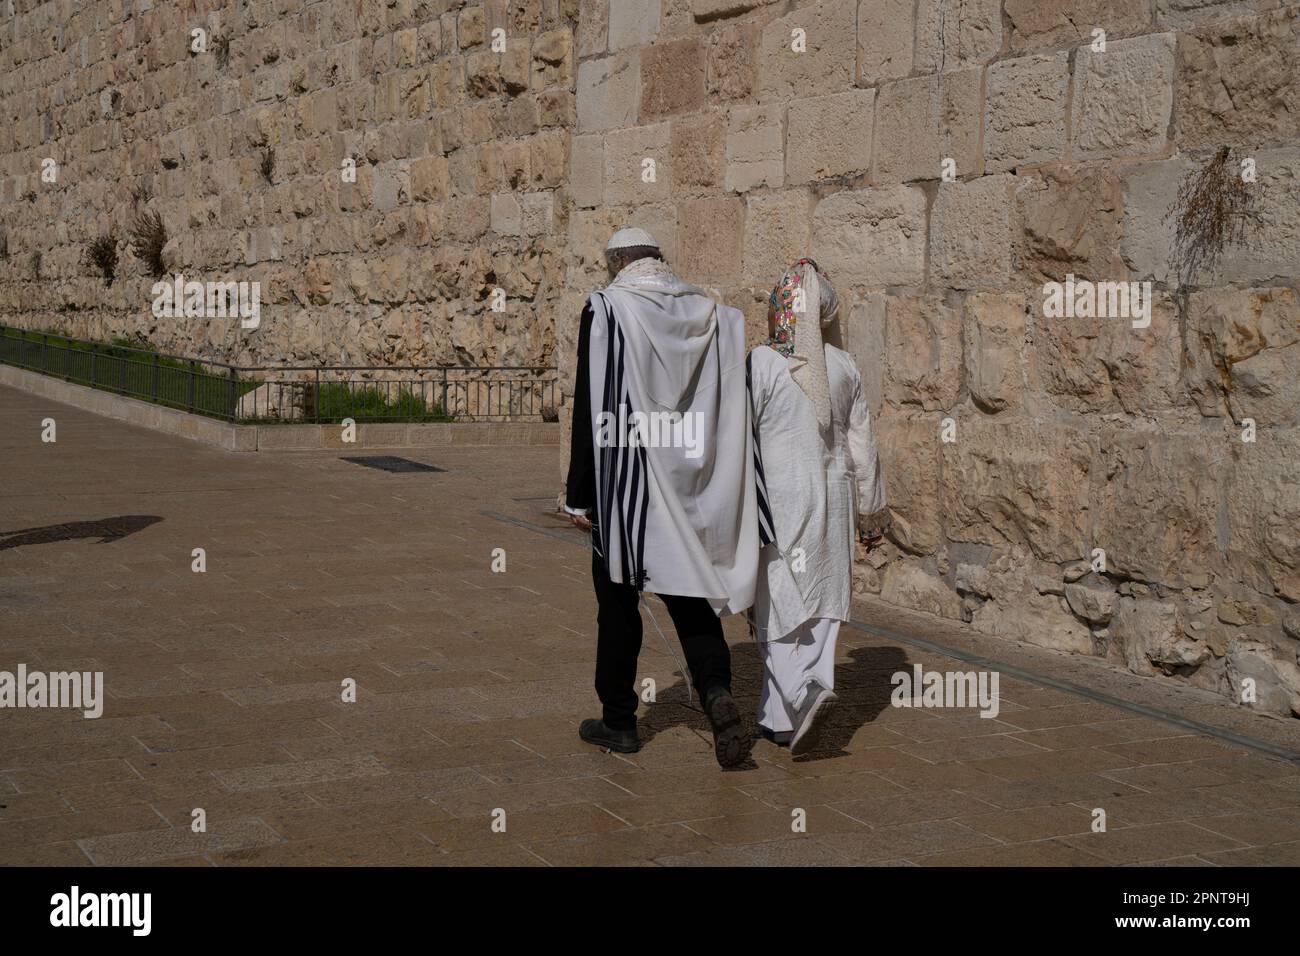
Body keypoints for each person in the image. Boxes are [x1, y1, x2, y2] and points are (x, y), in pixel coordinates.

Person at [564, 227, 760, 769]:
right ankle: (716, 690)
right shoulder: (710, 313)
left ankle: (619, 720)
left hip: (627, 479)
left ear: (617, 263)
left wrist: (580, 495)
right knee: (689, 593)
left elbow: (590, 405)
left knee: (618, 600)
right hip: (684, 480)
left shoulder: (607, 309)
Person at [747, 259, 889, 755]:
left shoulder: (763, 363)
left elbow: (739, 437)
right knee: (823, 600)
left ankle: (801, 692)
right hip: (834, 501)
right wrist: (871, 510)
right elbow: (863, 445)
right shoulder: (844, 366)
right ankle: (783, 720)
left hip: (781, 502)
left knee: (777, 600)